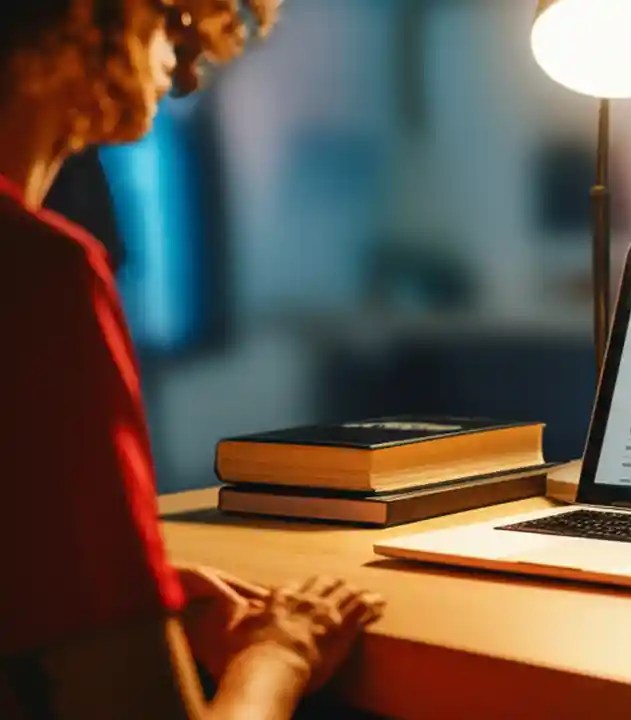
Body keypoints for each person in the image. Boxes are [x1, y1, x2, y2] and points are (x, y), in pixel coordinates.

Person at [0, 2, 386, 718]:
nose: (182, 70)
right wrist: (282, 650)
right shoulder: (36, 275)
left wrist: (130, 590)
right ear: (91, 21)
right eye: (170, 20)